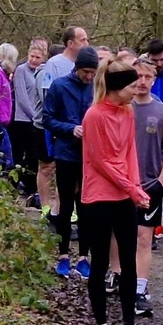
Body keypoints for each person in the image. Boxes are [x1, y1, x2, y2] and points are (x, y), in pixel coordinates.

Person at [78, 54, 153, 325]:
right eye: (132, 86)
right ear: (116, 87)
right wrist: (130, 187)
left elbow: (130, 153)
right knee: (99, 263)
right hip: (98, 196)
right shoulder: (94, 116)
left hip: (124, 195)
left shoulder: (128, 113)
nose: (137, 90)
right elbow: (100, 161)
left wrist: (135, 187)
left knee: (129, 261)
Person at [43, 45, 99, 279]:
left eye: (92, 72)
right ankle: (63, 254)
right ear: (77, 68)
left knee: (86, 206)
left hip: (91, 156)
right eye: (85, 71)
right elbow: (47, 118)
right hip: (66, 153)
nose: (88, 76)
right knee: (66, 206)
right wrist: (70, 129)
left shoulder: (97, 88)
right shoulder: (59, 86)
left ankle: (84, 257)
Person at [131, 67, 163, 317]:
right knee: (119, 236)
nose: (142, 81)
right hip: (122, 182)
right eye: (137, 76)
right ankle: (118, 277)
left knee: (143, 237)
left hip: (149, 183)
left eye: (147, 77)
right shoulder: (122, 108)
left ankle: (140, 288)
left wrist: (161, 180)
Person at [37, 26, 90, 213]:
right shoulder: (55, 64)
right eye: (82, 40)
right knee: (49, 168)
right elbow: (47, 98)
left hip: (84, 139)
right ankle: (51, 210)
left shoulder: (90, 68)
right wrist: (66, 126)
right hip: (60, 130)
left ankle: (70, 212)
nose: (86, 43)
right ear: (70, 43)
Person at [9, 38, 48, 202]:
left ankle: (33, 188)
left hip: (37, 120)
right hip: (23, 119)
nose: (33, 60)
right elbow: (23, 98)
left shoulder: (43, 72)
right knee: (23, 154)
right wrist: (35, 117)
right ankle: (17, 185)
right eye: (32, 56)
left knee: (34, 157)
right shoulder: (21, 71)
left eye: (37, 57)